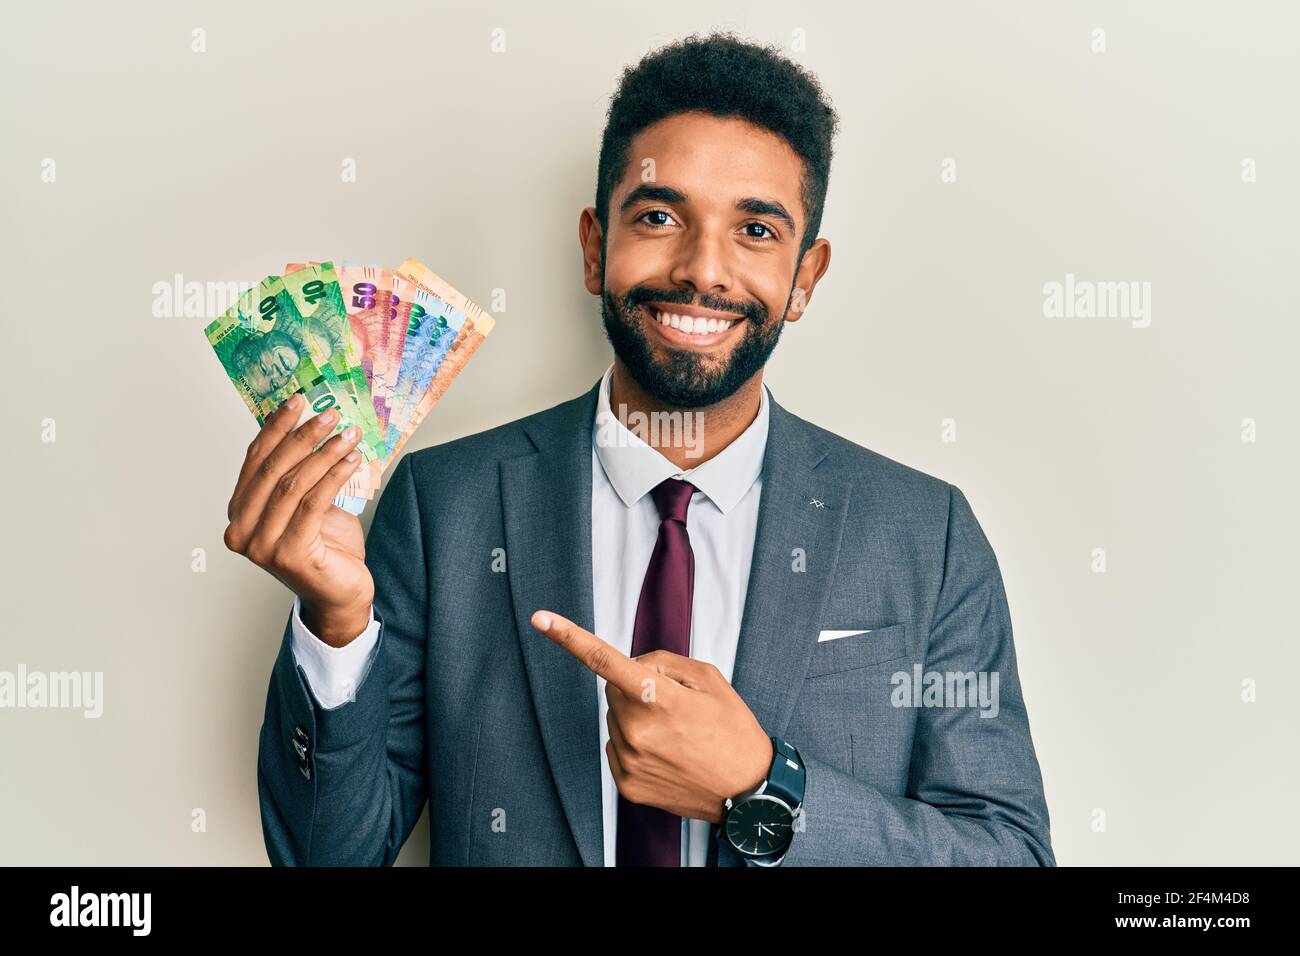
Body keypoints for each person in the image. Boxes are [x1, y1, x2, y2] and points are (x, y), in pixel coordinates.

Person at [224, 32, 1054, 867]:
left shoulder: (927, 535)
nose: (702, 270)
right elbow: (328, 856)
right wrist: (335, 628)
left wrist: (764, 788)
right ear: (594, 247)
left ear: (805, 278)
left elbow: (1011, 854)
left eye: (757, 230)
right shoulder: (447, 506)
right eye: (660, 217)